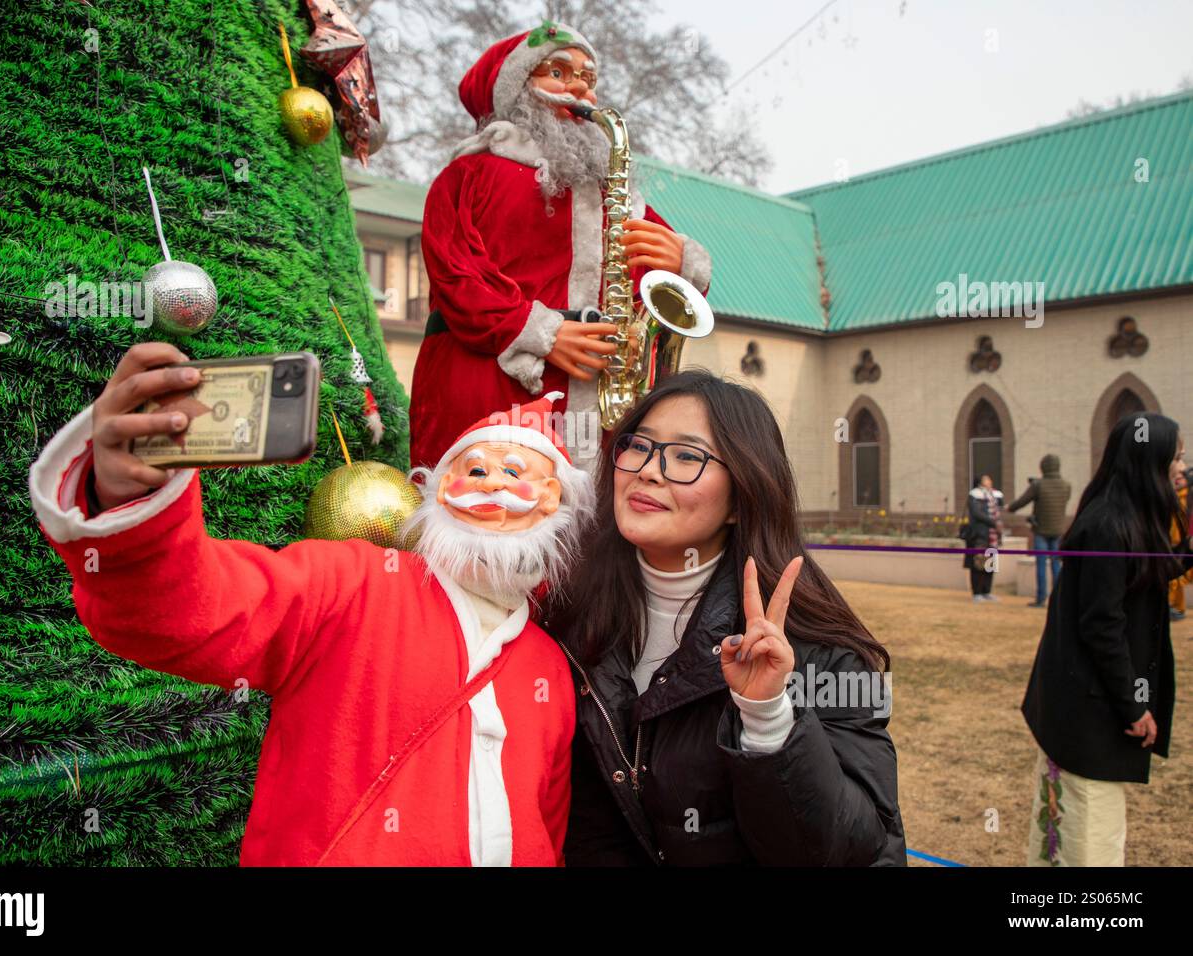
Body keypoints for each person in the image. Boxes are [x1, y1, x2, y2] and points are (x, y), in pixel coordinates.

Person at [28, 342, 596, 866]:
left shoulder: (550, 668)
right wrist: (132, 502)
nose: (490, 483)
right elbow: (187, 614)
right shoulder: (350, 582)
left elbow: (546, 830)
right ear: (440, 489)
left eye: (516, 472)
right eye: (474, 468)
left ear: (556, 504)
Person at [541, 369, 905, 865]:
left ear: (741, 497)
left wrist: (768, 716)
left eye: (688, 456)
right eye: (639, 445)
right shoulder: (564, 614)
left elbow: (851, 850)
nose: (648, 470)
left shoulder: (817, 651)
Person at [408, 20, 713, 477]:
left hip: (602, 402)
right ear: (515, 89)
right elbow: (457, 276)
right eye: (558, 71)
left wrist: (679, 262)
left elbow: (664, 291)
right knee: (489, 523)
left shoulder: (619, 193)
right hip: (494, 387)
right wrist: (543, 332)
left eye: (589, 78)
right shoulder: (467, 175)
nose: (579, 88)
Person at [1021, 412, 1190, 866]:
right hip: (1087, 713)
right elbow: (1102, 626)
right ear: (1147, 459)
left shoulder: (1126, 519)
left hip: (1087, 710)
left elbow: (1145, 574)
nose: (1181, 466)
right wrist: (1133, 707)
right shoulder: (1109, 525)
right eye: (1174, 457)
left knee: (1080, 823)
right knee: (1087, 834)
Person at [1006, 454, 1072, 607]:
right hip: (1058, 530)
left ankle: (1041, 598)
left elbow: (1023, 501)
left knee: (1041, 565)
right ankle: (1058, 600)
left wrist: (1010, 508)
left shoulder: (1038, 485)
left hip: (1041, 530)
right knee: (1056, 566)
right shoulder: (1066, 485)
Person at [963, 474, 1004, 602]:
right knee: (978, 564)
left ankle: (987, 591)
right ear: (980, 482)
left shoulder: (996, 495)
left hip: (992, 536)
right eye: (987, 479)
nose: (990, 481)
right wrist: (993, 523)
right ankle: (977, 592)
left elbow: (1000, 509)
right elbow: (976, 514)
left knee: (990, 564)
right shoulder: (974, 496)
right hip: (979, 535)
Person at [1168, 466, 1190, 620]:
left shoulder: (1187, 496)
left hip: (1182, 542)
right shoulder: (1172, 497)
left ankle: (1177, 607)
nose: (1178, 478)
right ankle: (1174, 606)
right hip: (1173, 542)